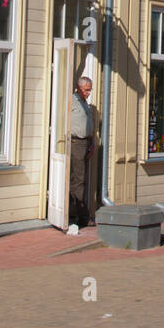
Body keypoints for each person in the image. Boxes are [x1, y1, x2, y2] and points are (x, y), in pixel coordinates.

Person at [69, 77, 95, 228]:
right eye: (86, 90)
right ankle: (82, 216)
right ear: (78, 88)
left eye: (90, 90)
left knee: (79, 179)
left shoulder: (85, 103)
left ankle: (76, 211)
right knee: (79, 180)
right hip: (76, 143)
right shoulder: (72, 100)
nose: (88, 93)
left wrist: (91, 142)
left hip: (85, 143)